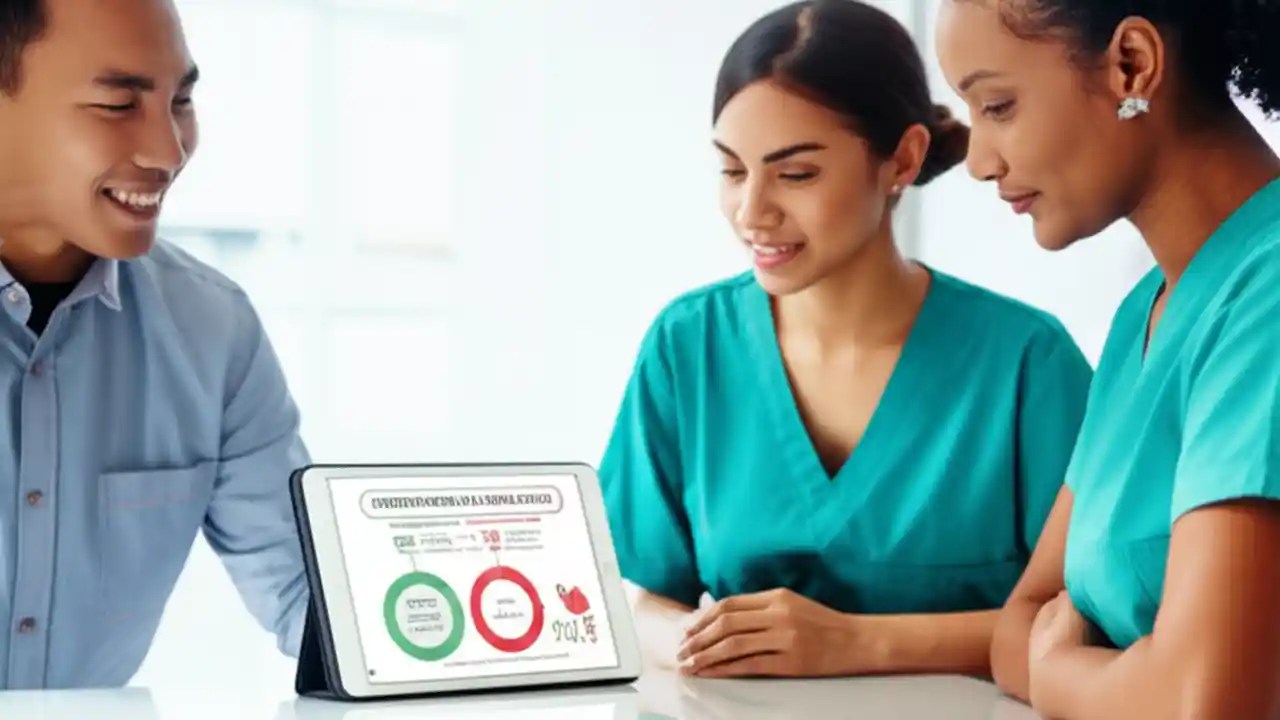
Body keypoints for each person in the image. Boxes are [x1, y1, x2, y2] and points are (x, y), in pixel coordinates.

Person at [598, 0, 1092, 679]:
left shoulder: (1027, 365)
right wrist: (699, 641)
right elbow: (642, 595)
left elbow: (1086, 619)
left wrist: (852, 643)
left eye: (796, 174)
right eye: (734, 171)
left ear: (902, 159)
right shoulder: (687, 347)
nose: (752, 213)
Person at [936, 1, 1280, 717]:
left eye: (997, 105)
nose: (976, 160)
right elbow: (1015, 626)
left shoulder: (1269, 296)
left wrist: (1062, 671)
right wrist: (1131, 680)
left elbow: (1207, 700)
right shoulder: (1142, 318)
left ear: (1132, 64)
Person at [0, 0, 309, 688]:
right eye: (117, 103)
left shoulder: (212, 328)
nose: (168, 151)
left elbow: (310, 599)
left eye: (182, 100)